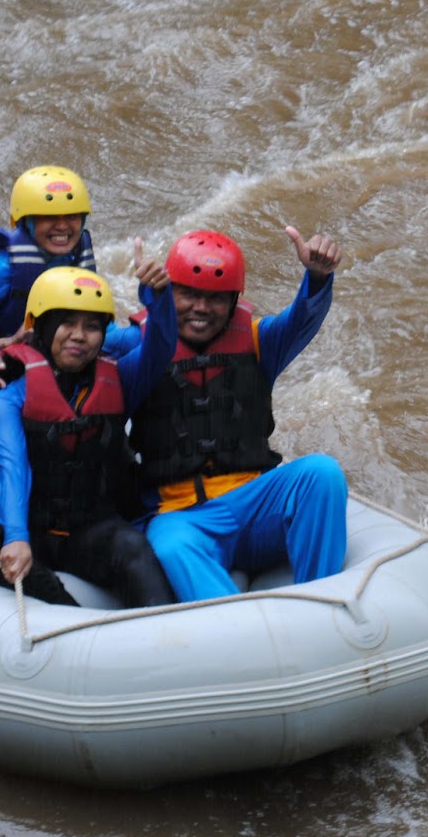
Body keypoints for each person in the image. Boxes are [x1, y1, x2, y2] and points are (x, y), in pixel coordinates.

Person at [106, 227, 348, 601]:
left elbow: (304, 318)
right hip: (182, 517)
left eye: (216, 298)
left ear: (234, 300)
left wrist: (317, 277)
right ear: (169, 292)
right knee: (170, 547)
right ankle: (241, 635)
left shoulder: (259, 341)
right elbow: (77, 343)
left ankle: (322, 604)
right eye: (188, 293)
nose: (201, 308)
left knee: (321, 473)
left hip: (256, 506)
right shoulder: (138, 344)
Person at [0, 265, 179, 607]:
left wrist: (159, 299)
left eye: (91, 326)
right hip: (30, 533)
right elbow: (12, 469)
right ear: (42, 328)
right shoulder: (8, 401)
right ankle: (68, 611)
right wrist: (16, 538)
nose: (79, 335)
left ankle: (166, 628)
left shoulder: (120, 380)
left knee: (130, 544)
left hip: (89, 533)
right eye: (67, 322)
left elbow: (161, 348)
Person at [0, 165, 102, 400]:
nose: (62, 226)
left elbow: (101, 329)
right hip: (2, 381)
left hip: (59, 371)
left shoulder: (77, 263)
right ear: (24, 222)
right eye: (48, 216)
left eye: (71, 216)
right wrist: (9, 342)